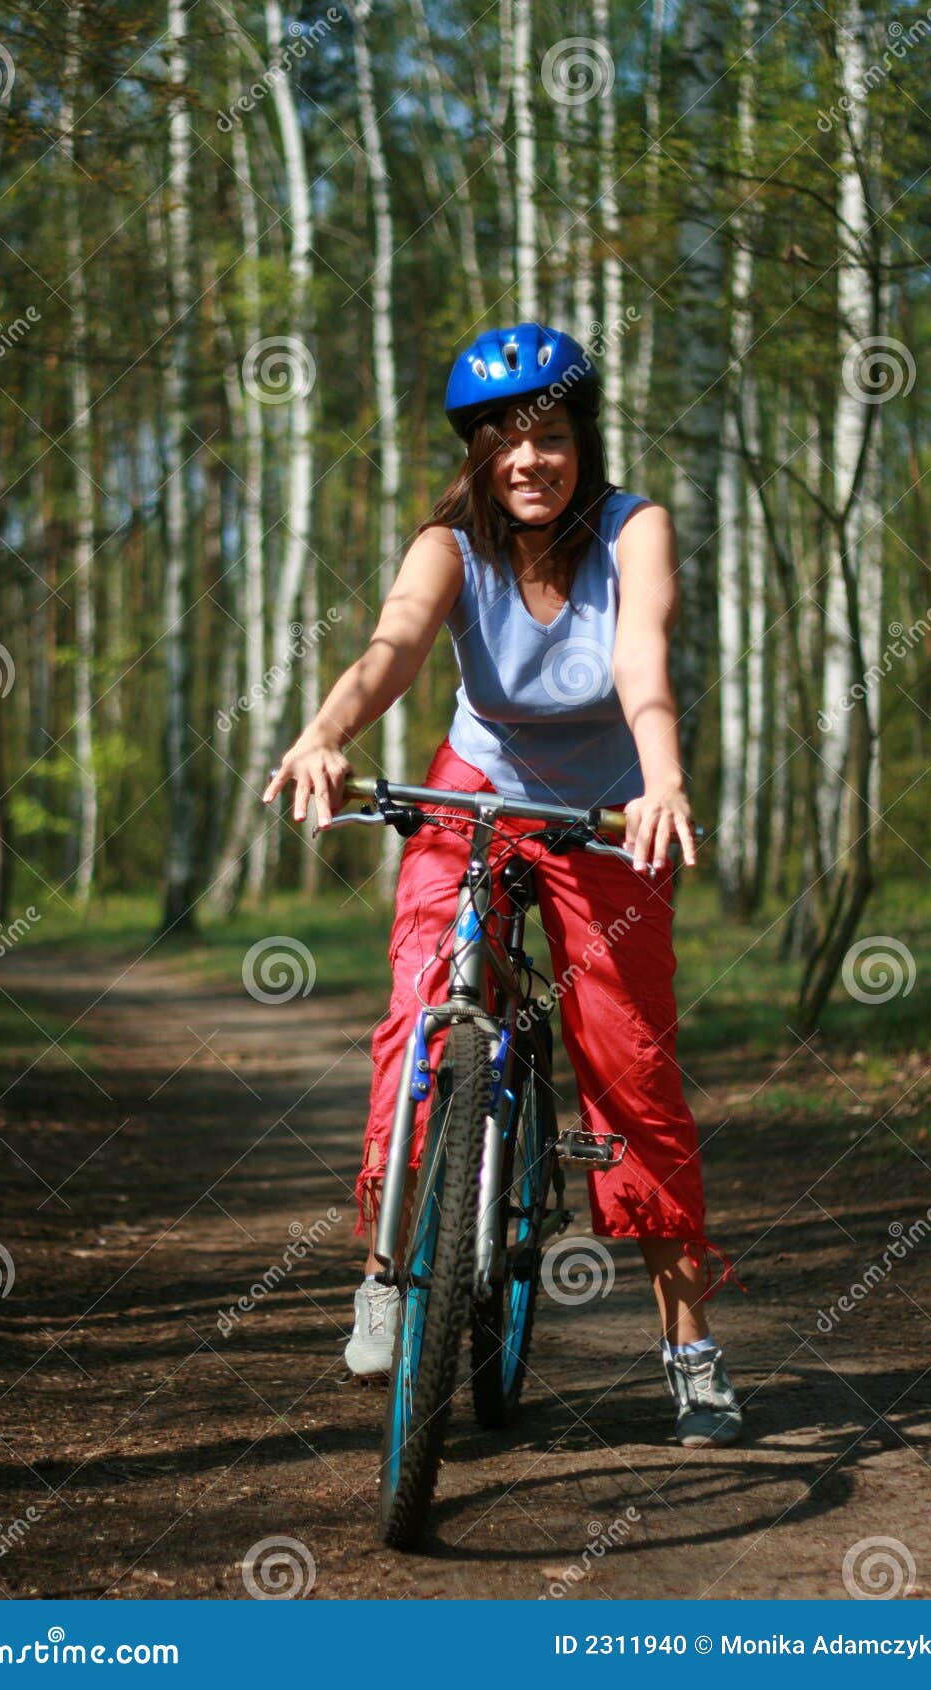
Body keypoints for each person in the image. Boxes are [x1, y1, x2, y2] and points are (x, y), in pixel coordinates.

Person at [264, 322, 744, 1448]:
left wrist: (663, 782)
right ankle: (385, 1276)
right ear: (478, 453)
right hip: (474, 786)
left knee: (629, 1065)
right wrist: (325, 732)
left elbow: (640, 661)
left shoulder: (632, 529)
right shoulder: (450, 543)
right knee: (418, 1018)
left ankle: (689, 1351)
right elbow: (391, 648)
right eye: (506, 441)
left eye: (552, 436)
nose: (531, 459)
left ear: (583, 441)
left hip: (606, 806)